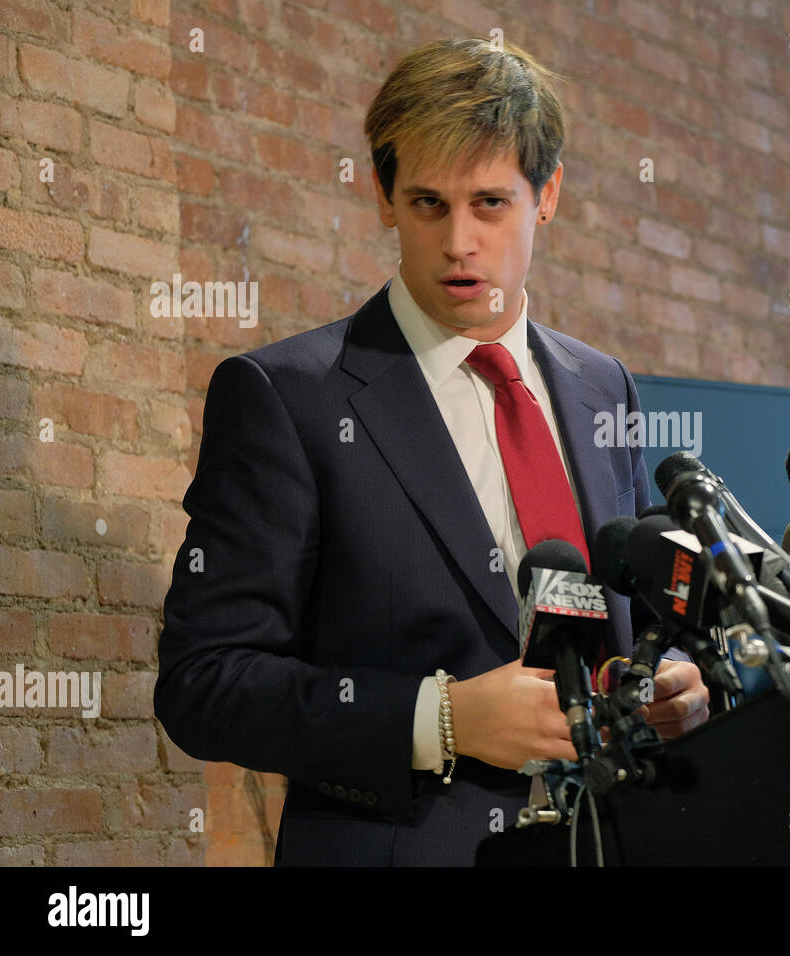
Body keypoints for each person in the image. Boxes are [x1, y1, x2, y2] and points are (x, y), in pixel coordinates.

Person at [154, 38, 708, 866]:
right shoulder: (286, 397)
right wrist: (440, 719)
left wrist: (682, 685)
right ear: (381, 196)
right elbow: (205, 685)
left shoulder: (605, 388)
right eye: (426, 204)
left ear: (546, 194)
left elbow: (654, 619)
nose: (459, 243)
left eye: (490, 204)